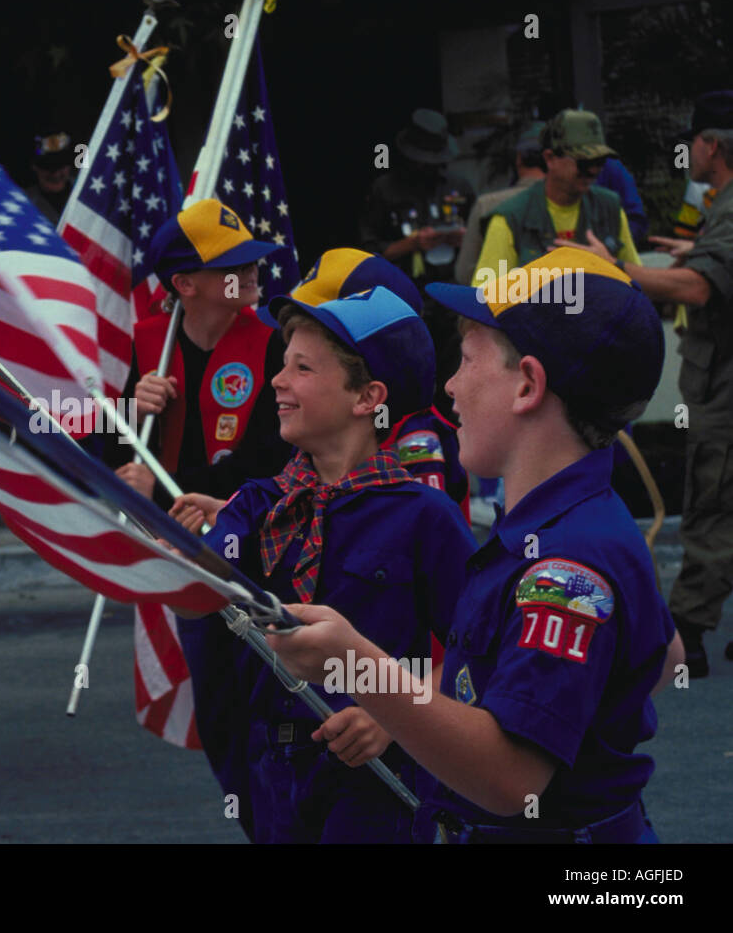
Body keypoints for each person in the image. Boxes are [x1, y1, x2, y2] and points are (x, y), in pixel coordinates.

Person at [267, 249, 684, 843]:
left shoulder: (566, 566)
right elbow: (664, 655)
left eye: (465, 360)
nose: (451, 385)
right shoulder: (578, 525)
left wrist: (359, 666)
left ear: (528, 385)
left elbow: (510, 781)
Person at [175, 287, 477, 843]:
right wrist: (164, 561)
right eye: (283, 363)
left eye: (303, 367)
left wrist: (396, 713)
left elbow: (479, 651)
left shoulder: (420, 516)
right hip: (273, 773)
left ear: (367, 398)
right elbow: (195, 595)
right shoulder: (256, 506)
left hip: (374, 781)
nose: (277, 380)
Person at [557, 90, 733, 677]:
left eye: (695, 143)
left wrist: (616, 268)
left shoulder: (729, 205)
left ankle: (688, 632)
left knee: (712, 503)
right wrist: (696, 250)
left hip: (725, 387)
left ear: (712, 145)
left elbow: (698, 290)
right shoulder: (721, 207)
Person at [175, 247, 469, 529]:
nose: (249, 273)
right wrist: (239, 527)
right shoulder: (318, 442)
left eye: (318, 320)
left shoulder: (407, 439)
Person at [104, 199, 292, 509]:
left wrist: (167, 490)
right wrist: (132, 416)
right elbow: (116, 461)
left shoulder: (275, 346)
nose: (251, 271)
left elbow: (268, 462)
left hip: (237, 525)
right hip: (158, 528)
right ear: (185, 284)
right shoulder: (149, 343)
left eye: (251, 260)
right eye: (233, 265)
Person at [360, 108, 474, 419]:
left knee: (455, 373)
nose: (430, 168)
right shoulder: (385, 188)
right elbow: (369, 252)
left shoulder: (459, 187)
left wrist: (464, 238)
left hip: (452, 296)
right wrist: (411, 244)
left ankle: (454, 437)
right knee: (408, 380)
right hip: (405, 299)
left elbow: (483, 241)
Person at [470, 109, 640, 285]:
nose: (593, 171)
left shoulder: (609, 208)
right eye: (585, 163)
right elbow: (485, 298)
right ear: (550, 158)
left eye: (600, 162)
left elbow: (637, 284)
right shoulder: (511, 219)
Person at [453, 123, 547, 285]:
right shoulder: (576, 204)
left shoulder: (488, 205)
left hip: (503, 305)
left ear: (518, 159)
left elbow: (465, 273)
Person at [22, 127, 74, 225]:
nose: (56, 174)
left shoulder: (89, 195)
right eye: (48, 167)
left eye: (61, 165)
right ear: (34, 166)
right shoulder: (22, 203)